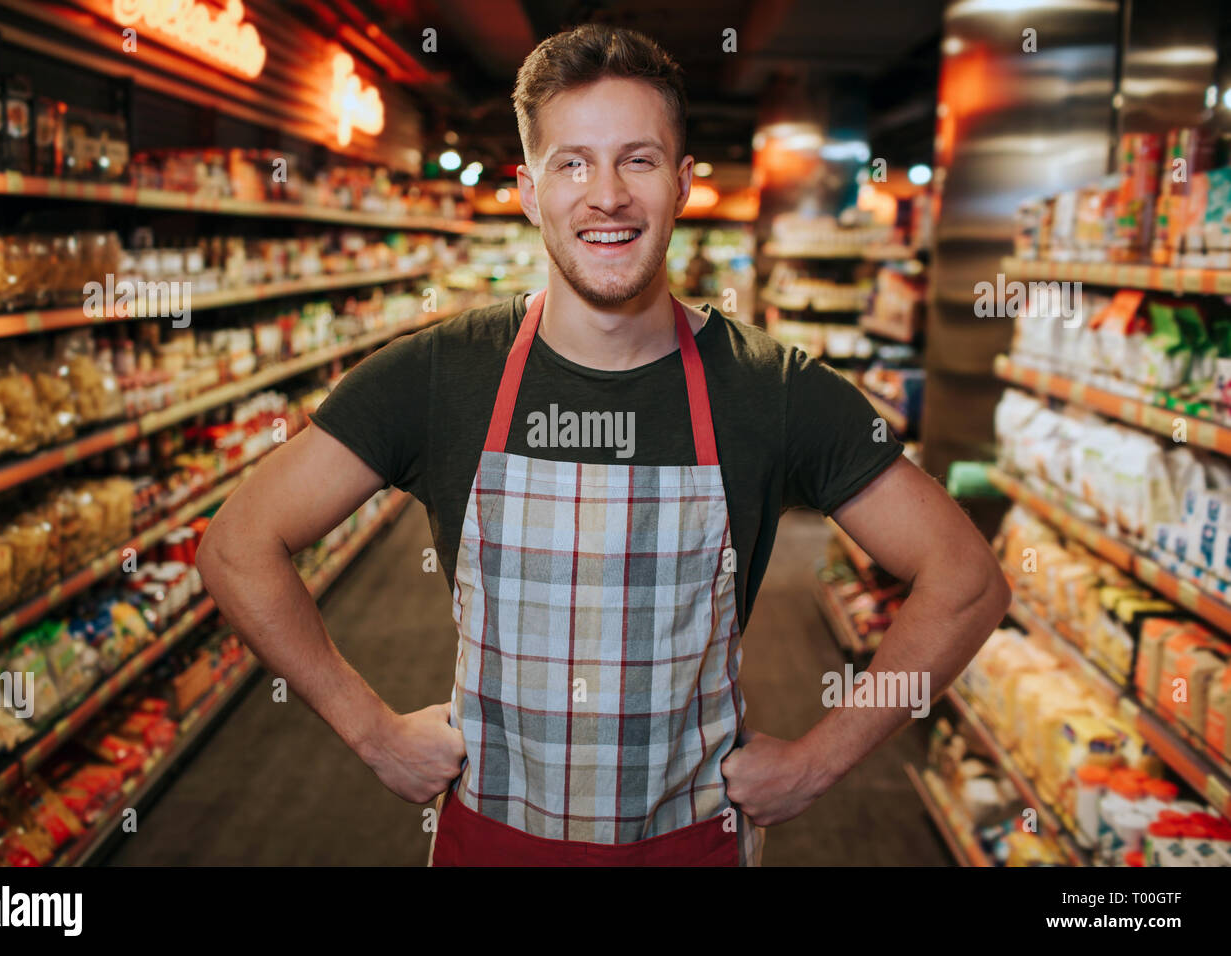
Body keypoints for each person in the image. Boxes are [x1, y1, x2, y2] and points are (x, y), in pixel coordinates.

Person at [196, 23, 1010, 867]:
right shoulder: (439, 375)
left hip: (690, 844)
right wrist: (368, 730)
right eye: (573, 163)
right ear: (527, 190)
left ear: (685, 182)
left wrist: (819, 761)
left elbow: (966, 581)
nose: (607, 196)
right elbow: (238, 545)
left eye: (639, 159)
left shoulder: (772, 389)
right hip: (491, 842)